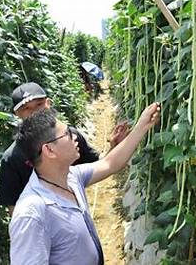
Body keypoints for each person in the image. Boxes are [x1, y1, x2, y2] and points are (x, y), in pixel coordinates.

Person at [9, 103, 160, 265]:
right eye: (67, 134)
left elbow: (110, 164)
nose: (75, 136)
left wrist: (143, 125)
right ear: (49, 150)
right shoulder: (31, 214)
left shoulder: (71, 177)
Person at [0, 82, 130, 215]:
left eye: (39, 104)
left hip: (76, 214)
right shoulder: (12, 159)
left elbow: (100, 165)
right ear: (17, 114)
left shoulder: (70, 137)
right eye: (26, 109)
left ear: (48, 103)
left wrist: (114, 147)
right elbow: (15, 210)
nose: (35, 112)